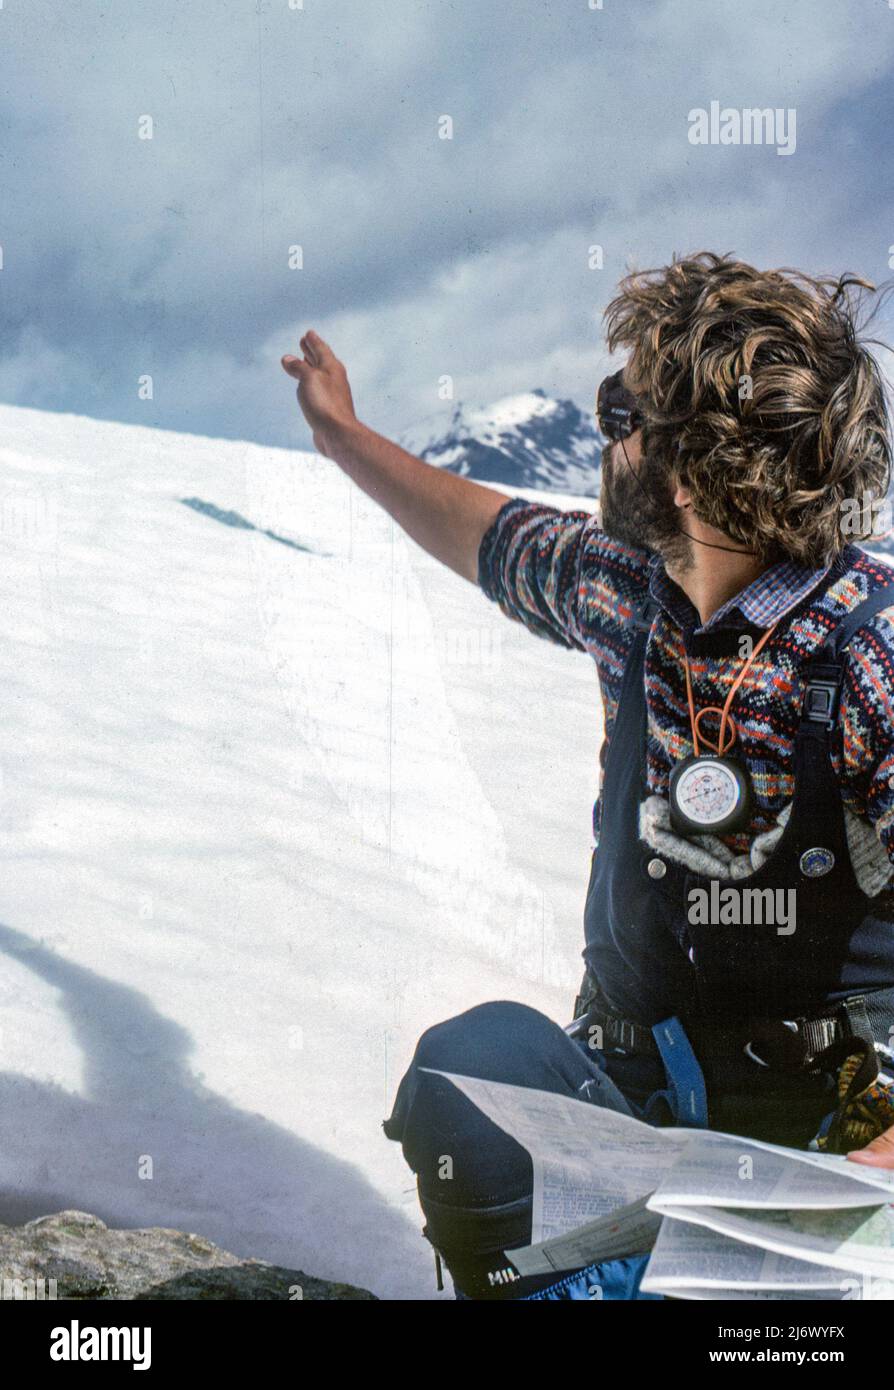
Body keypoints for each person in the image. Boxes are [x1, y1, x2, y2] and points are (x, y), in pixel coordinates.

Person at [282, 252, 894, 1301]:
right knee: (468, 1077)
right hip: (638, 1109)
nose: (602, 429)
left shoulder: (870, 661)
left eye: (622, 407)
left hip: (827, 1167)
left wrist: (860, 1188)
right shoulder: (623, 586)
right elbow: (484, 532)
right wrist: (343, 437)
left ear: (692, 465)